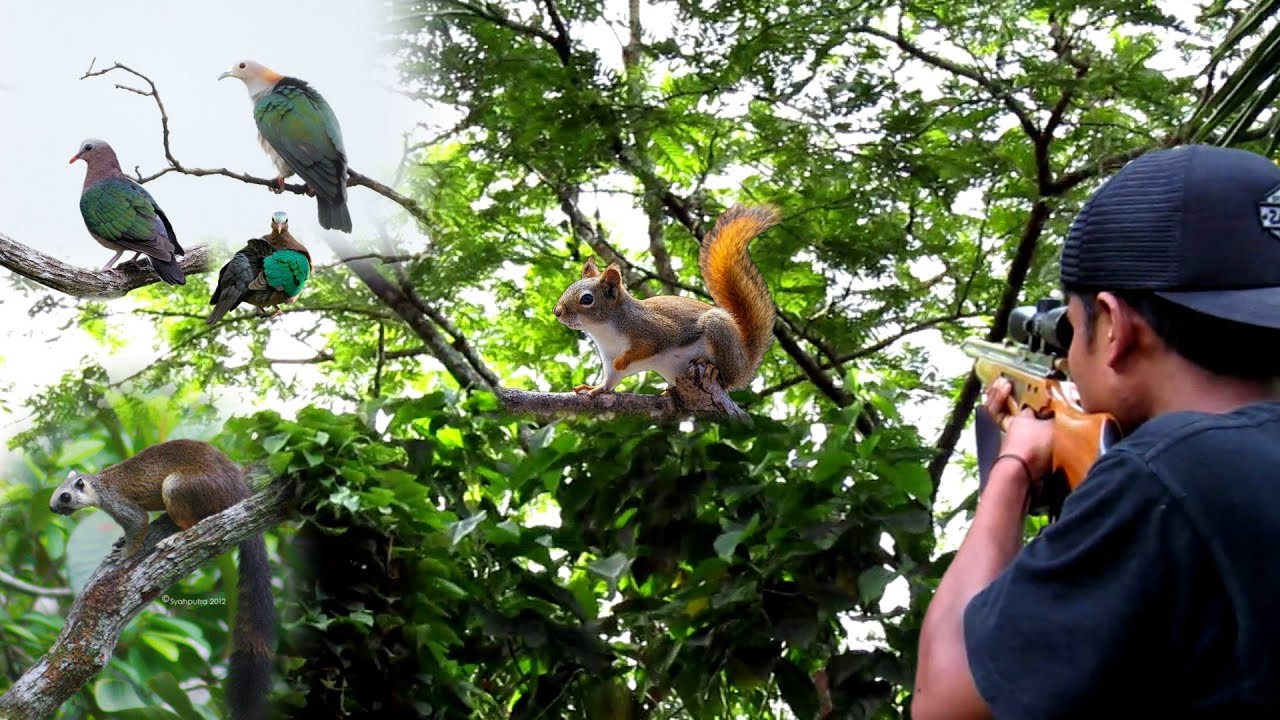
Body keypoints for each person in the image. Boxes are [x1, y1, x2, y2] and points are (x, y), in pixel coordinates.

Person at [911, 144, 1280, 719]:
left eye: (1071, 325)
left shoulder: (1161, 476)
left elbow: (945, 703)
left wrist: (1013, 468)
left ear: (1113, 326)